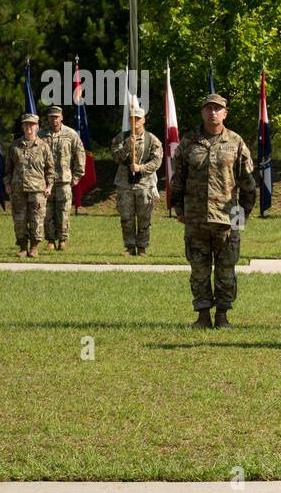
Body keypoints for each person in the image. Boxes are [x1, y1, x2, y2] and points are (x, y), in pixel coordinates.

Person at [169, 92, 257, 329]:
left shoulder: (236, 142)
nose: (213, 112)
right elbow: (178, 179)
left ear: (225, 113)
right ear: (202, 112)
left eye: (217, 109)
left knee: (226, 271)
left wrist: (242, 216)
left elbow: (248, 184)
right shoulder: (189, 142)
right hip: (196, 219)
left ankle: (223, 316)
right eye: (208, 108)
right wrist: (178, 208)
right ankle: (202, 315)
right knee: (199, 270)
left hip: (227, 219)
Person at [109, 98, 164, 256]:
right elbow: (115, 157)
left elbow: (157, 160)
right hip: (124, 184)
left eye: (138, 119)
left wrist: (141, 168)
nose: (135, 121)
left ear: (143, 120)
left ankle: (142, 247)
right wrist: (127, 146)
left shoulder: (152, 139)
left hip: (144, 184)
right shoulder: (121, 137)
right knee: (126, 217)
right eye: (132, 119)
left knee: (144, 217)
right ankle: (129, 246)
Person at [5, 113, 53, 258]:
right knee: (19, 219)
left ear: (37, 127)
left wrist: (49, 186)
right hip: (18, 189)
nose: (29, 127)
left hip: (38, 190)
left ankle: (34, 247)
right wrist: (7, 184)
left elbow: (50, 169)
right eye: (26, 124)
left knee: (37, 219)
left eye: (32, 125)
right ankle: (22, 247)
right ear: (22, 127)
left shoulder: (44, 147)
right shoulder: (14, 146)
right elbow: (8, 169)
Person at [40, 105, 85, 252]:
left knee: (63, 211)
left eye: (56, 117)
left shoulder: (70, 134)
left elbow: (80, 154)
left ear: (62, 117)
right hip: (46, 181)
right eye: (51, 117)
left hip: (64, 180)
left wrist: (78, 175)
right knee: (47, 212)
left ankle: (63, 239)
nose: (54, 120)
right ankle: (51, 240)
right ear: (48, 118)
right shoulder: (41, 134)